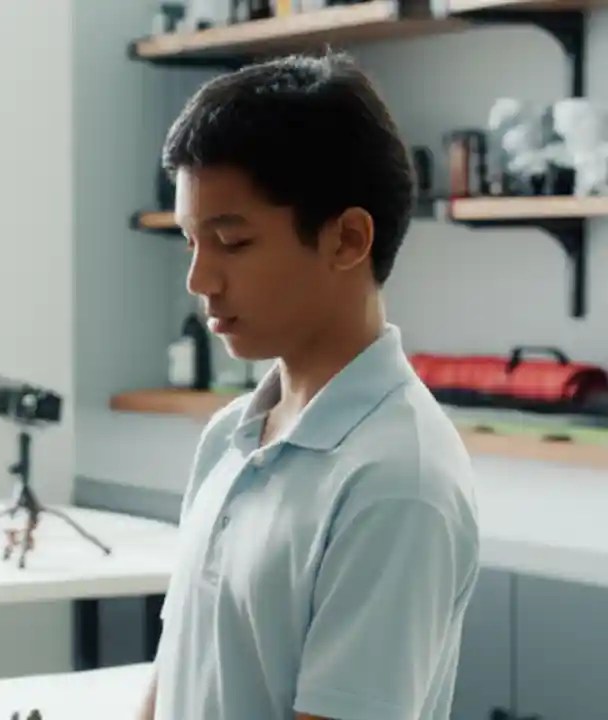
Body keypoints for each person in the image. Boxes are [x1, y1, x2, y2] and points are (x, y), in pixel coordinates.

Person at [139, 53, 480, 720]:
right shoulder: (230, 434)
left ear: (348, 238)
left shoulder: (397, 483)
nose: (199, 280)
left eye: (231, 243)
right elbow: (176, 673)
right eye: (189, 243)